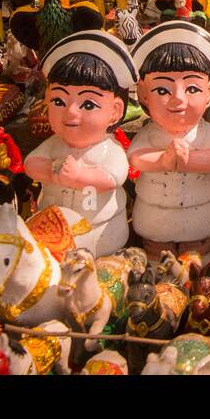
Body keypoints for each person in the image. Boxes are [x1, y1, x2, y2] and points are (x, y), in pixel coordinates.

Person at [23, 30, 137, 256]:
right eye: (59, 101)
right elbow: (30, 164)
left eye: (87, 105)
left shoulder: (109, 149)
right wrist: (53, 171)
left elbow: (112, 178)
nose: (70, 113)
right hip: (54, 235)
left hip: (101, 233)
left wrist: (80, 177)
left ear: (114, 111)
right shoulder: (54, 145)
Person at [128, 21, 210, 262]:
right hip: (155, 215)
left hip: (199, 210)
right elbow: (135, 156)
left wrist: (190, 160)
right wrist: (163, 160)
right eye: (162, 91)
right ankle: (157, 263)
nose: (178, 100)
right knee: (156, 248)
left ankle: (200, 262)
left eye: (192, 89)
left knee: (198, 247)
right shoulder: (150, 133)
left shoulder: (203, 133)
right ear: (143, 94)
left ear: (209, 93)